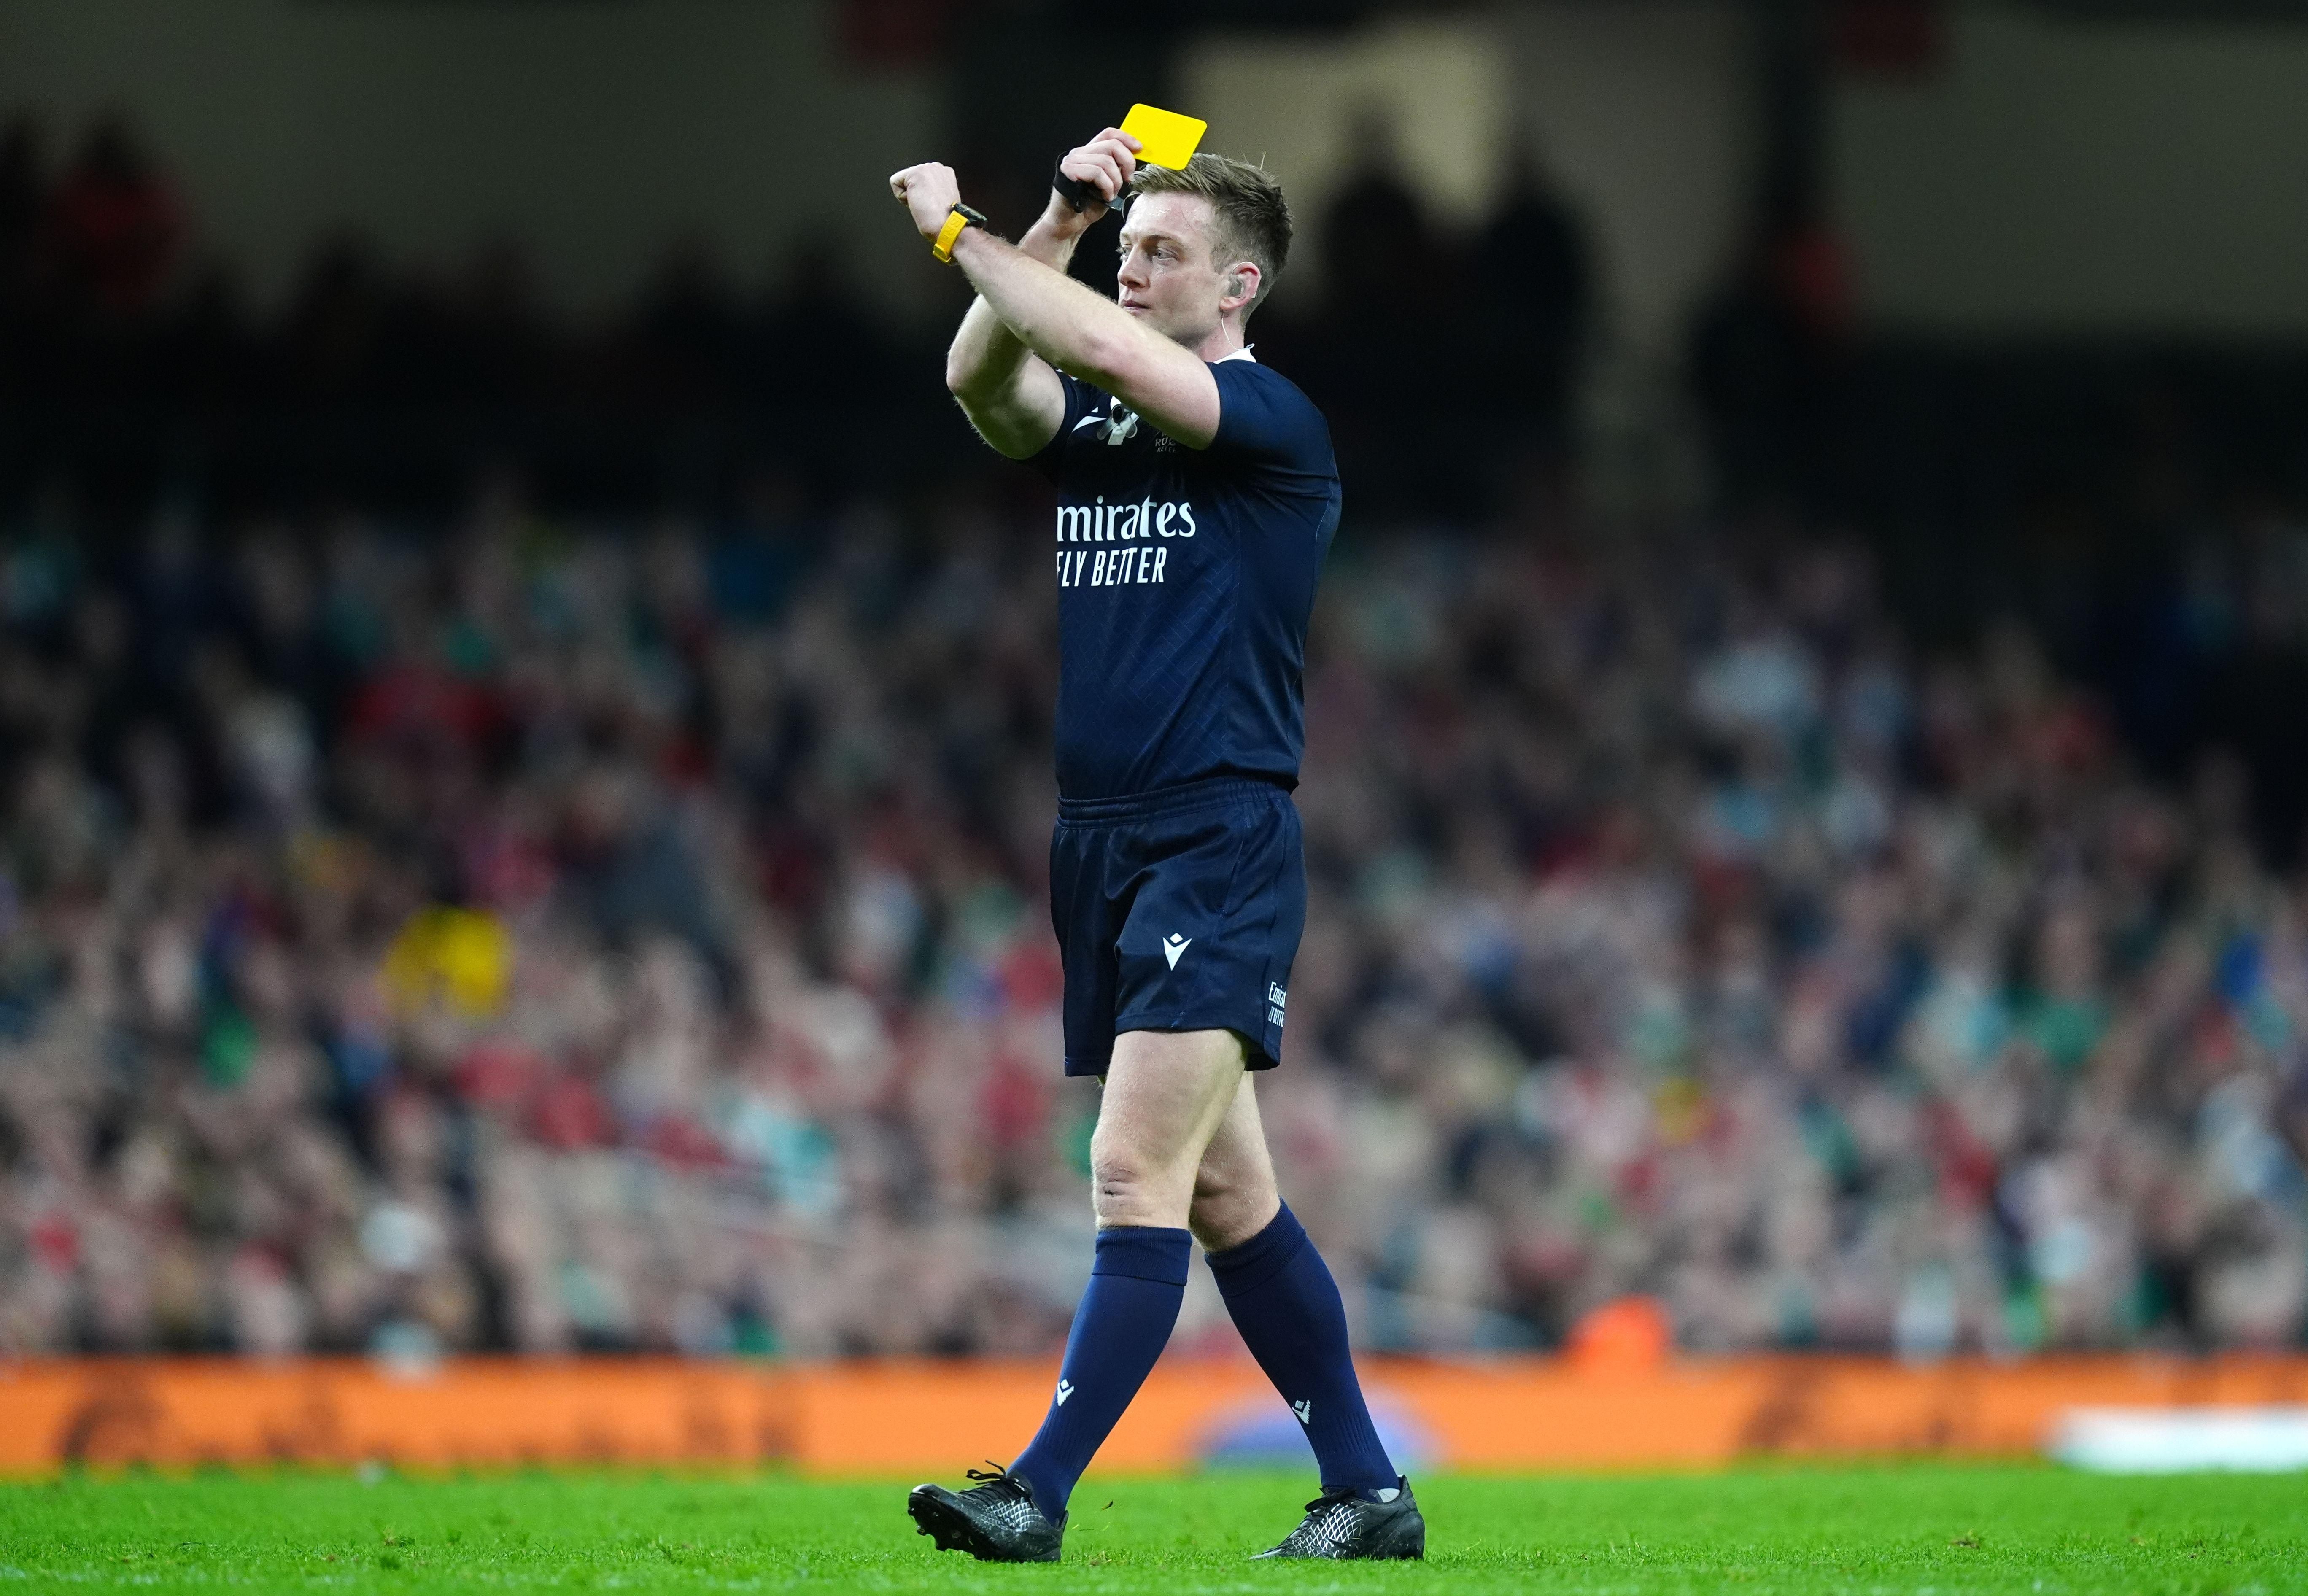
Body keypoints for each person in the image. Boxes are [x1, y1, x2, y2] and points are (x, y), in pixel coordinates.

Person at [886, 129, 1424, 1563]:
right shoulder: (1109, 421)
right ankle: (1368, 1492)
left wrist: (960, 238)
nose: (1134, 268)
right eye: (1129, 251)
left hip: (1216, 833)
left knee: (1134, 1174)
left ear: (1239, 284)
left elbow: (1112, 361)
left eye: (1160, 250)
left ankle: (1036, 1492)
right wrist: (1055, 226)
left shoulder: (1268, 418)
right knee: (1232, 1192)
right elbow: (985, 384)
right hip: (1103, 840)